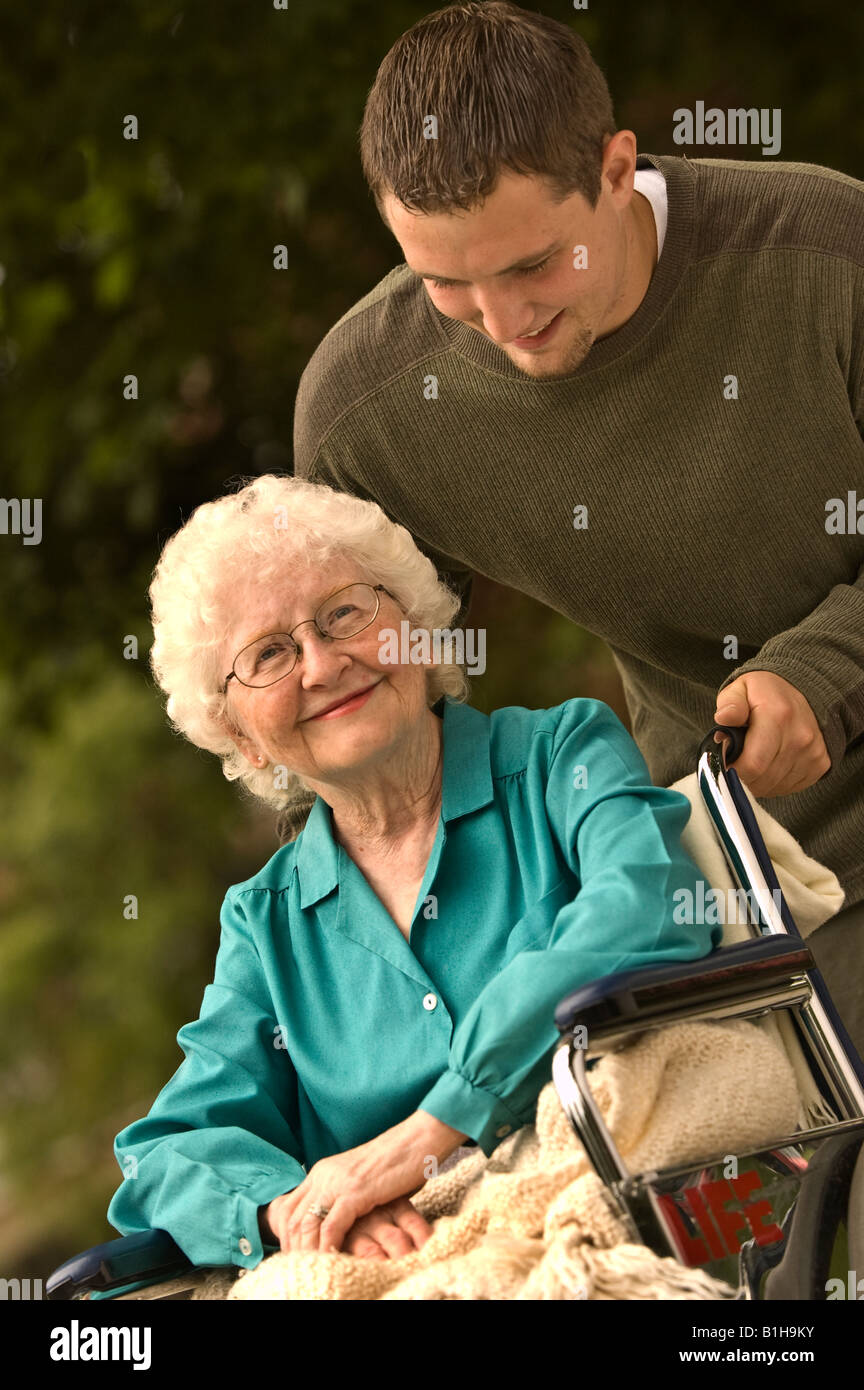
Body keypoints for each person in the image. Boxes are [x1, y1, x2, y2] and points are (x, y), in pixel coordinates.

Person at [290, 1, 864, 1054]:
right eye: (446, 283)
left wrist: (824, 673)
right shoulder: (366, 416)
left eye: (533, 267)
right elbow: (357, 711)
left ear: (614, 168)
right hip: (737, 886)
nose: (505, 323)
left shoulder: (830, 254)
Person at [106, 474, 716, 1270]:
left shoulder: (560, 754)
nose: (324, 664)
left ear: (417, 630)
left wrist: (435, 1127)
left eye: (345, 614)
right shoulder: (265, 926)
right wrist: (300, 1210)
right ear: (241, 738)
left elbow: (648, 906)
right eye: (269, 654)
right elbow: (167, 1152)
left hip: (613, 1235)